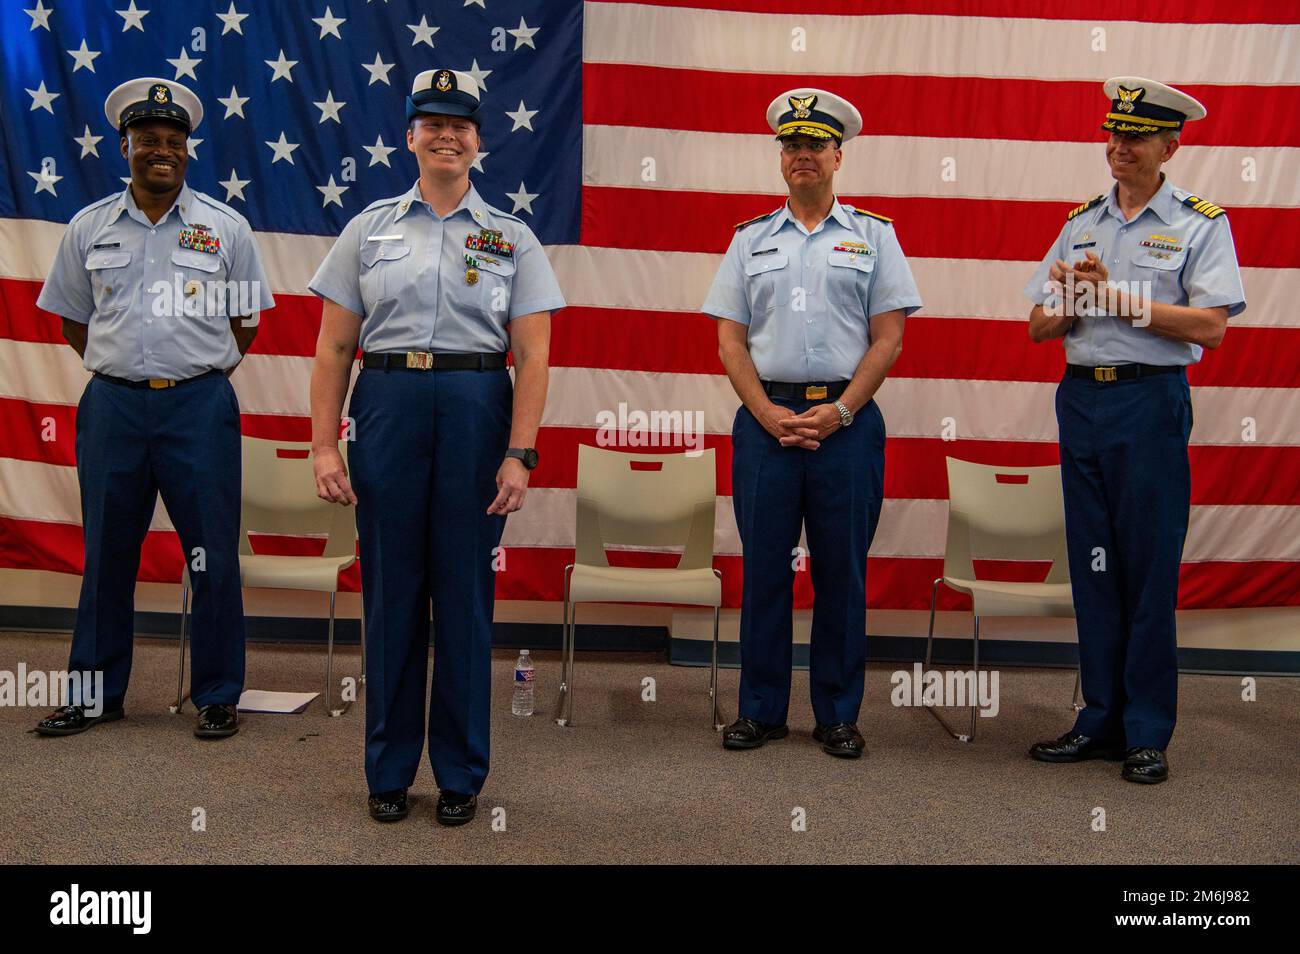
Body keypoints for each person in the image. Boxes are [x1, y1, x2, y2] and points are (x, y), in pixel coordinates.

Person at [308, 68, 564, 825]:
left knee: (462, 598)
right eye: (433, 122)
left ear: (478, 142)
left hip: (476, 405)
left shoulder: (511, 237)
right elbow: (331, 351)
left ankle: (460, 773)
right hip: (386, 404)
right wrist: (325, 448)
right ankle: (387, 771)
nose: (447, 135)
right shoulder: (369, 228)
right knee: (389, 595)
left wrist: (520, 452)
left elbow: (536, 356)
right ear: (411, 136)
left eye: (461, 125)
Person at [34, 78, 273, 740]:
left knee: (212, 558)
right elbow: (73, 321)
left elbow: (246, 322)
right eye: (148, 141)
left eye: (173, 141)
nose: (160, 151)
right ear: (125, 146)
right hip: (113, 408)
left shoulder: (227, 228)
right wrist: (127, 370)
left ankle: (219, 693)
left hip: (199, 408)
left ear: (187, 151)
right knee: (107, 556)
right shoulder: (88, 227)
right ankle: (93, 694)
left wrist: (196, 373)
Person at [1025, 77, 1246, 784]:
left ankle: (1147, 730)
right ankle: (1099, 720)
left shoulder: (1198, 223)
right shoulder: (1081, 221)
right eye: (1113, 133)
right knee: (1095, 568)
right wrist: (1068, 300)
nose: (1120, 145)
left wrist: (1113, 297)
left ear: (1169, 145)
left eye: (1137, 135)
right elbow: (1038, 325)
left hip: (1149, 405)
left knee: (1147, 570)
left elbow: (1211, 327)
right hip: (1083, 400)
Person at [702, 89, 921, 758]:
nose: (801, 155)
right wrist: (766, 412)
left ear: (838, 155)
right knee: (764, 570)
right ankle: (761, 710)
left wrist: (843, 409)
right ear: (782, 158)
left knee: (841, 574)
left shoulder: (874, 235)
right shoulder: (749, 240)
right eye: (790, 145)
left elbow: (888, 339)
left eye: (814, 145)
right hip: (765, 422)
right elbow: (730, 341)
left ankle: (836, 713)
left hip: (847, 425)